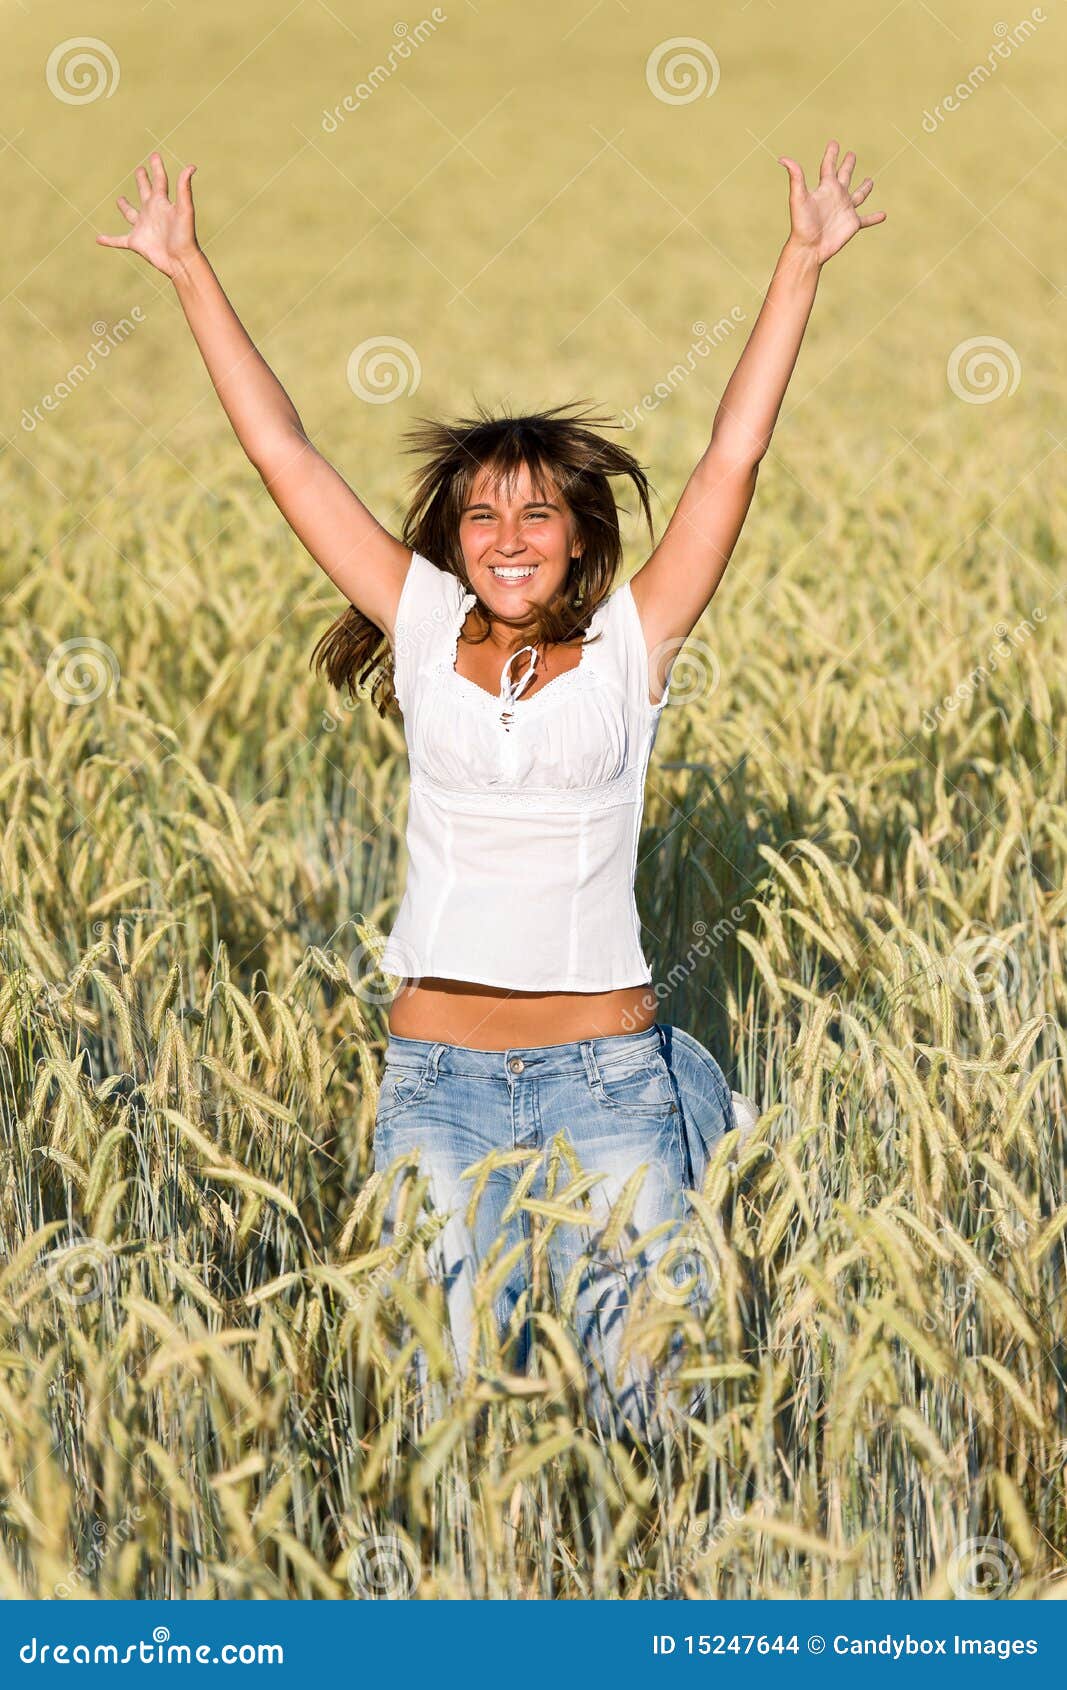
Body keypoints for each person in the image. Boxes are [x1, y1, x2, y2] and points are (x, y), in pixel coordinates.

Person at [98, 141, 884, 1439]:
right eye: (481, 518)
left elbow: (729, 467)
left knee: (661, 1417)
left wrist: (801, 260)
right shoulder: (418, 631)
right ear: (450, 541)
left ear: (578, 532)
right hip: (438, 1084)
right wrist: (186, 270)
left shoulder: (631, 651)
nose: (510, 537)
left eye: (536, 514)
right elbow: (286, 454)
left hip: (609, 1082)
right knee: (445, 1424)